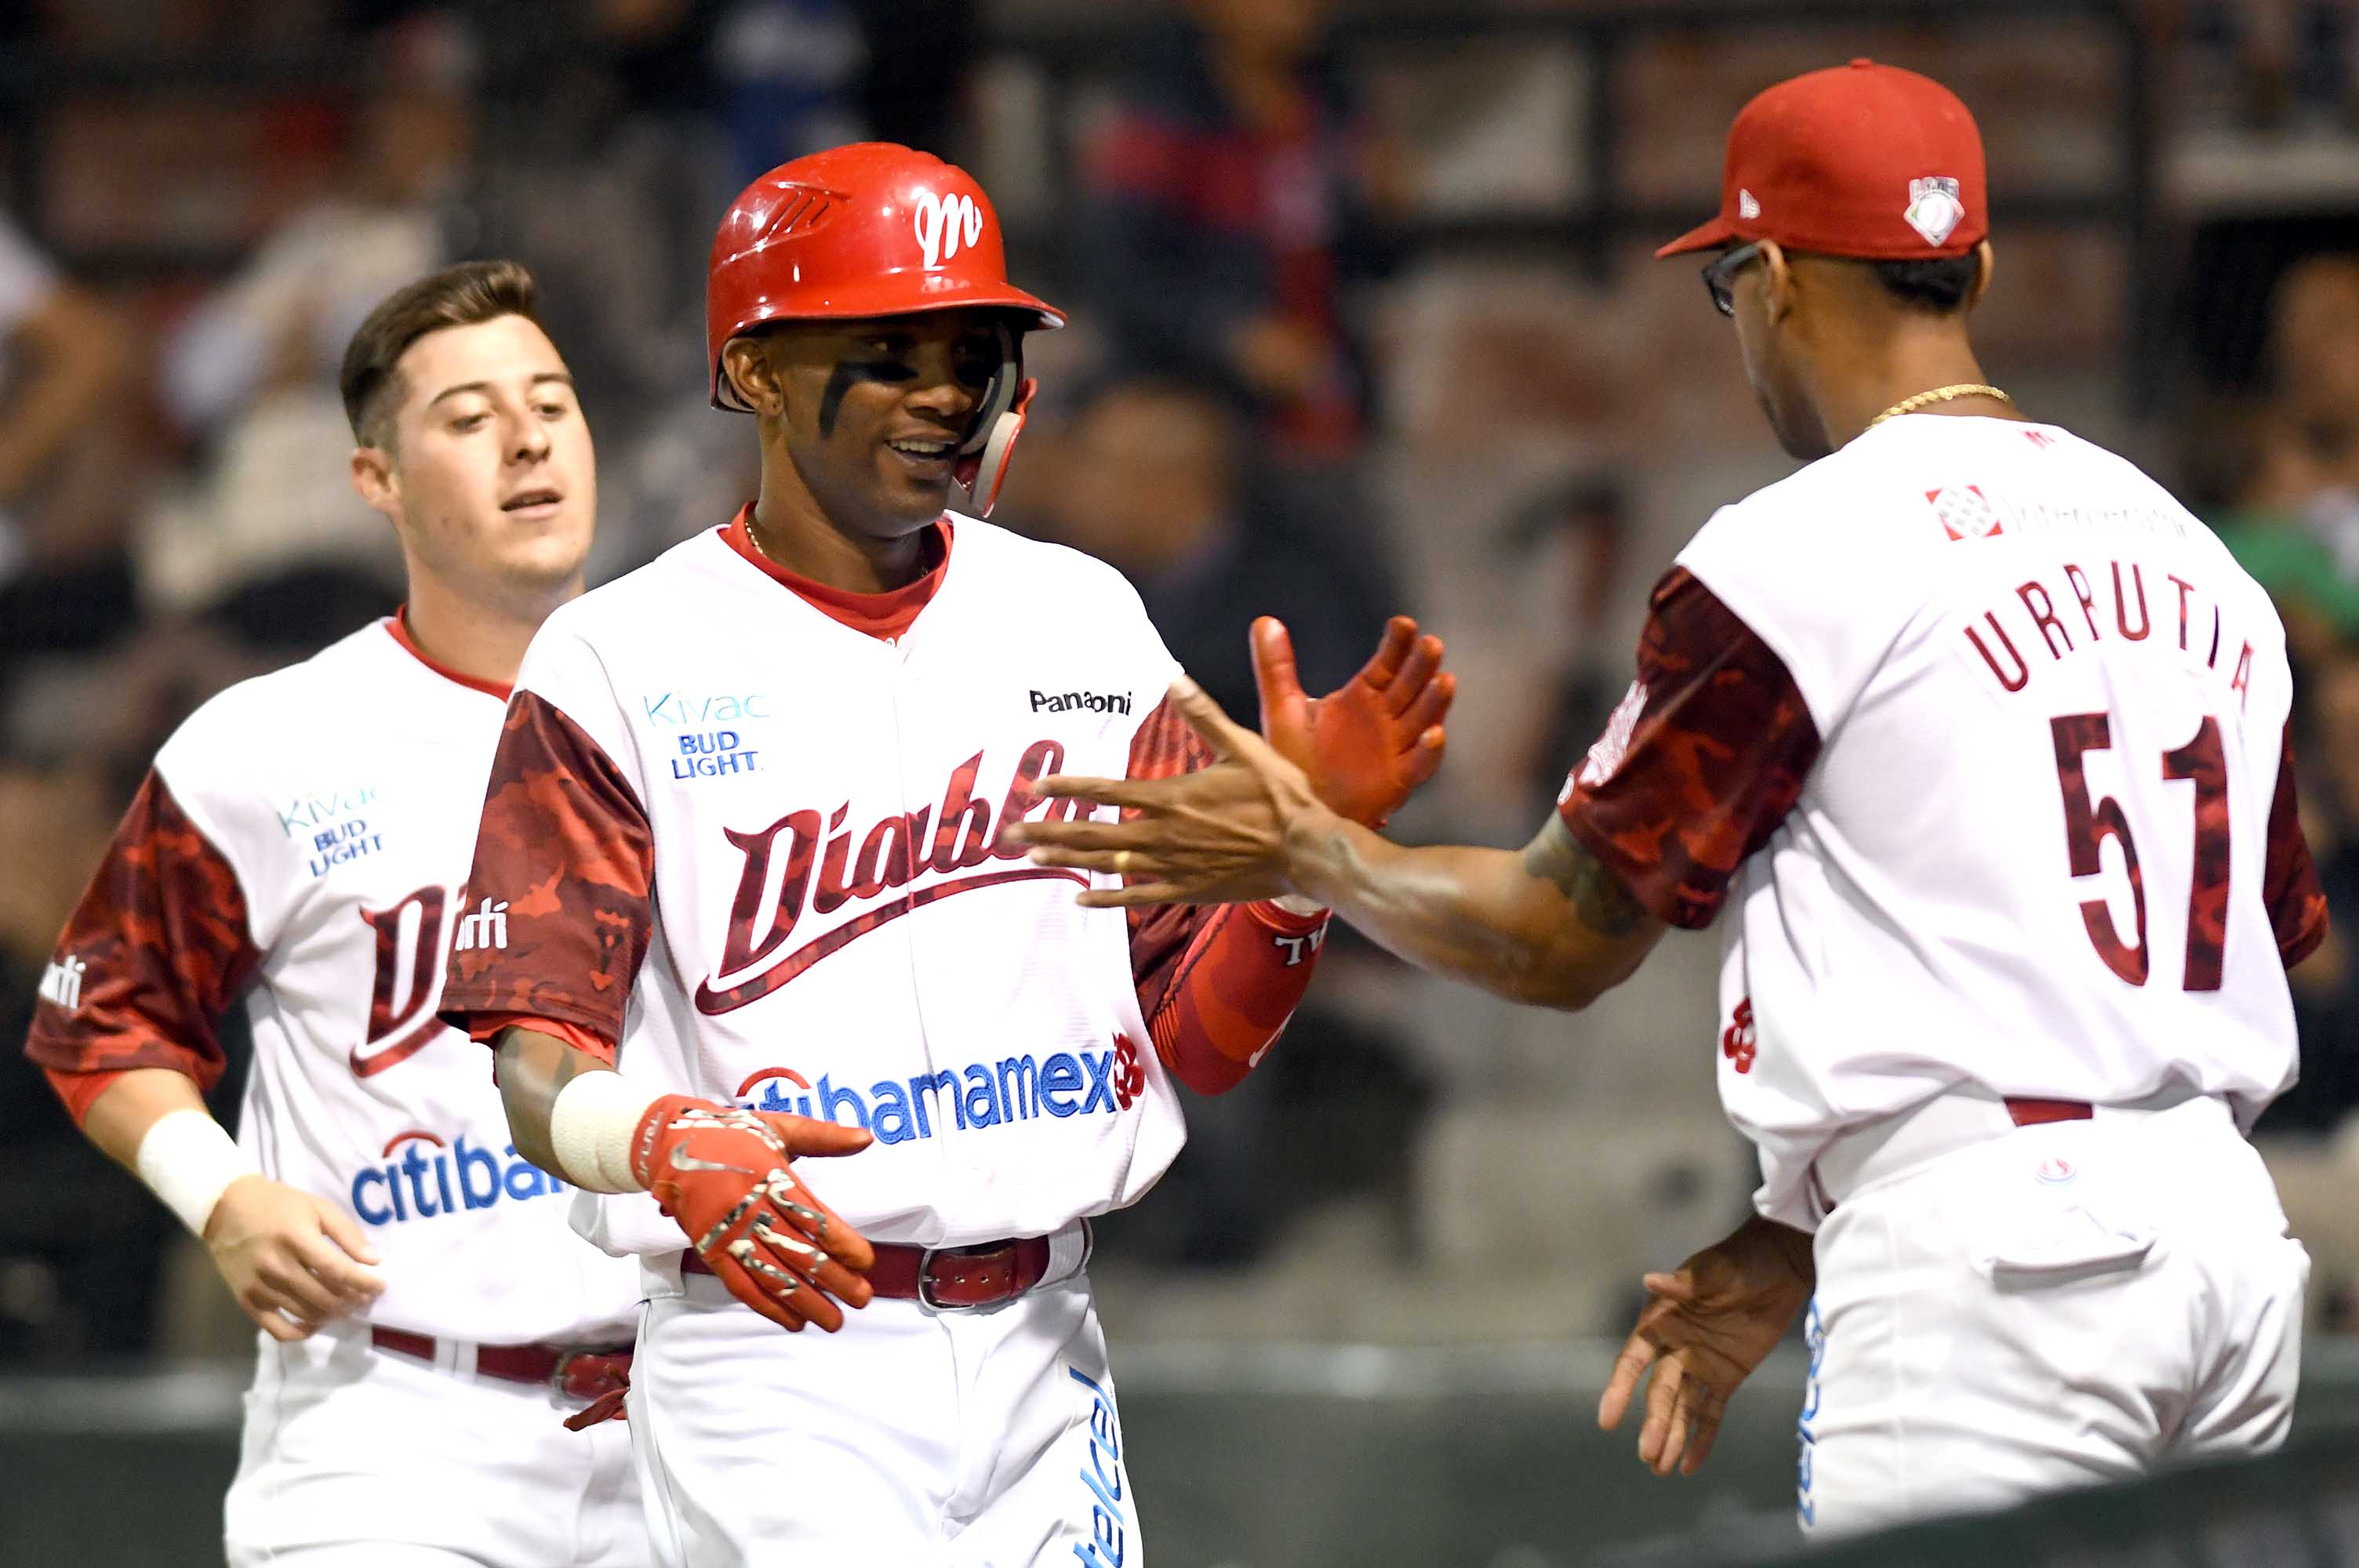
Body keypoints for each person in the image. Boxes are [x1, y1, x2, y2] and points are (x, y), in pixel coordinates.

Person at [1009, 62, 2328, 1538]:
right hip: (2228, 1244)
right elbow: (2249, 942)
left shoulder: (1806, 549)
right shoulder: (2197, 553)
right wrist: (1796, 1234)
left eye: (1728, 287)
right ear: (1977, 269)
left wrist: (1313, 853)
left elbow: (1554, 938)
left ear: (1773, 277)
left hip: (1995, 1281)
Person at [434, 142, 1452, 1567]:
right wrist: (657, 1141)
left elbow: (1201, 1044)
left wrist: (1303, 863)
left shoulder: (1083, 618)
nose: (945, 394)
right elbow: (535, 1066)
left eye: (972, 354)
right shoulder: (618, 659)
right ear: (756, 371)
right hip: (778, 1355)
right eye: (891, 353)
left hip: (1047, 1344)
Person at [24, 260, 658, 1564]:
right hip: (396, 1429)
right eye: (469, 418)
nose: (528, 440)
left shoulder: (706, 710)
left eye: (552, 404)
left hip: (693, 1417)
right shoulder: (271, 743)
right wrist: (221, 1195)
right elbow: (102, 1016)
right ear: (377, 479)